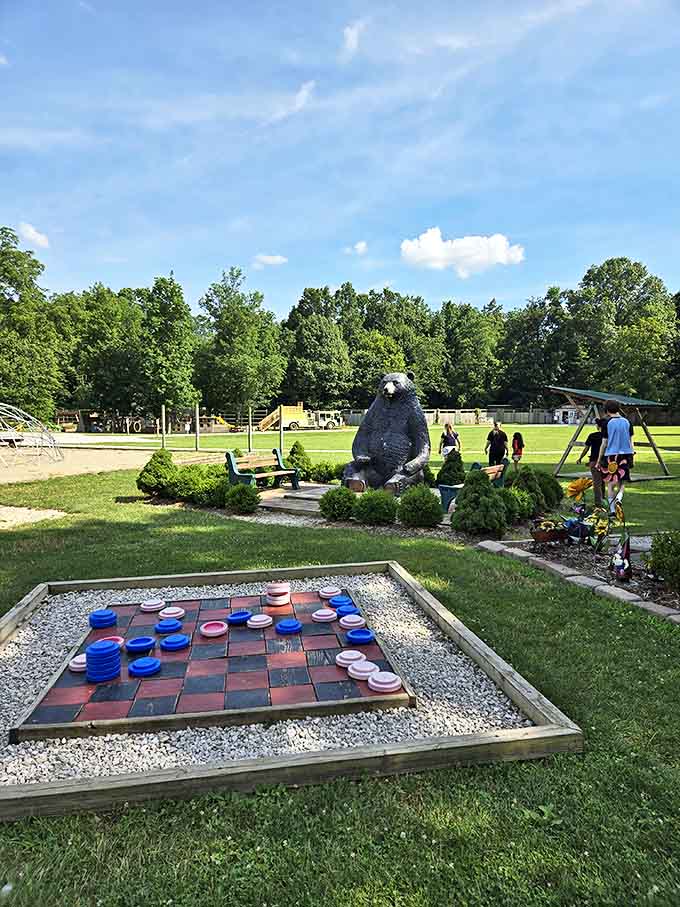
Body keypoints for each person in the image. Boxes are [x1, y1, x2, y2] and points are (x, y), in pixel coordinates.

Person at [598, 401, 634, 514]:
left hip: (611, 456)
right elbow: (631, 440)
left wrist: (599, 460)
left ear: (607, 410)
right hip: (626, 454)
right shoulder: (627, 422)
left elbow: (604, 443)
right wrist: (632, 454)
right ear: (619, 408)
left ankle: (612, 510)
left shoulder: (606, 423)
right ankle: (619, 496)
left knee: (610, 483)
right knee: (622, 481)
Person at [577, 417, 606, 507]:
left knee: (596, 482)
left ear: (598, 426)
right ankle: (603, 498)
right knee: (603, 481)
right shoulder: (608, 436)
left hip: (594, 461)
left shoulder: (592, 435)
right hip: (605, 461)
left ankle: (598, 503)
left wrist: (580, 458)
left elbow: (586, 448)